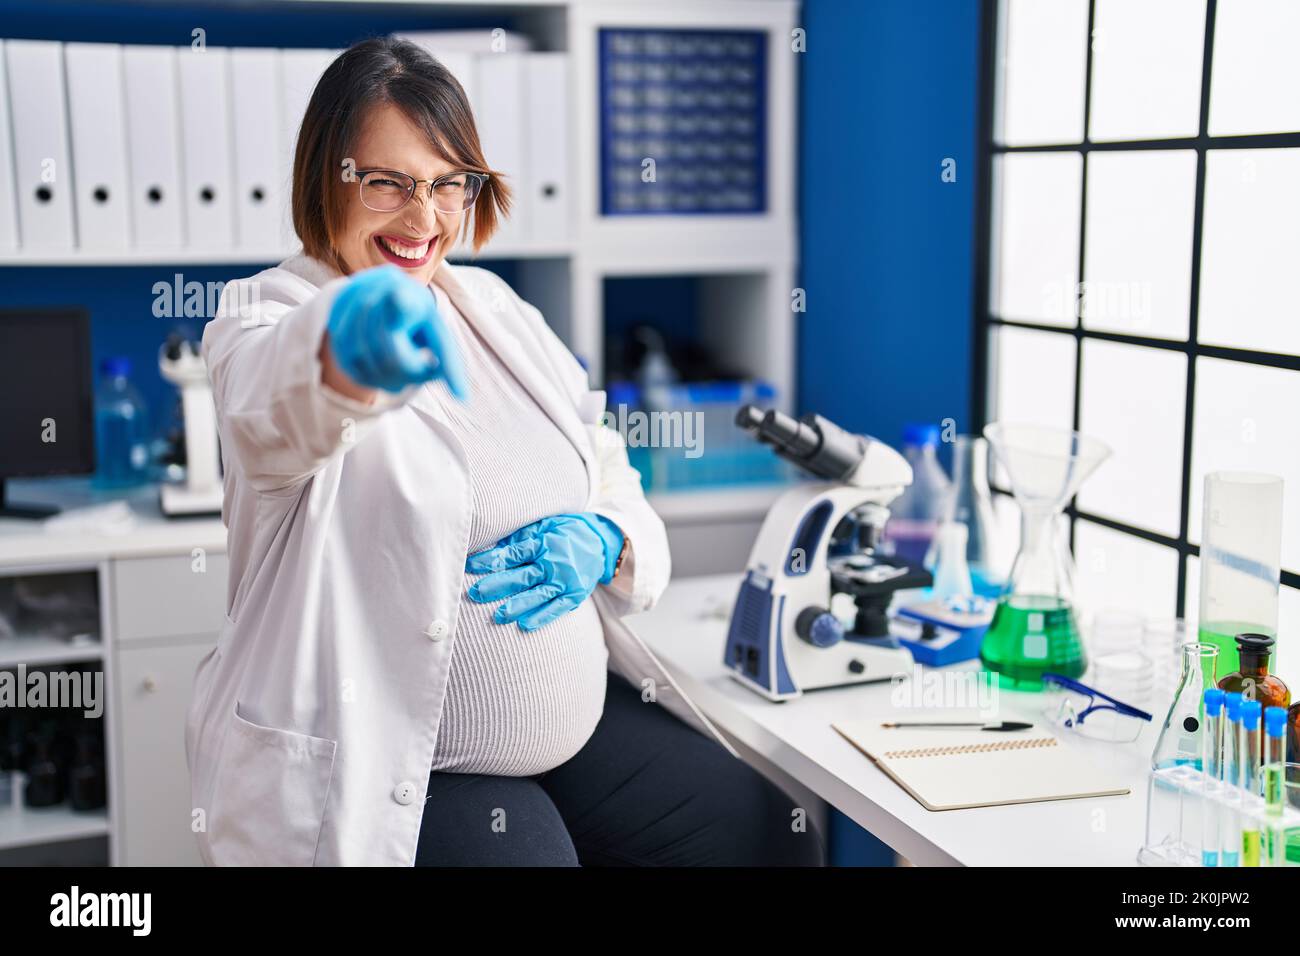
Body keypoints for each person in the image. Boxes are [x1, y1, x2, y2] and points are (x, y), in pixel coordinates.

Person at [185, 37, 823, 867]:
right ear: (325, 180)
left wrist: (607, 541)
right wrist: (349, 345)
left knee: (763, 827)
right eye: (387, 183)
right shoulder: (263, 320)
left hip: (572, 732)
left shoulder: (496, 309)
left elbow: (609, 471)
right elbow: (273, 409)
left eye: (449, 184)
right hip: (398, 759)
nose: (425, 219)